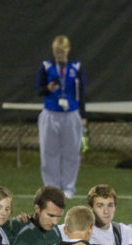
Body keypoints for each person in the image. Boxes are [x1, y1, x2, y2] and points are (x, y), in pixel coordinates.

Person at [37, 35, 86, 198]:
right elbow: (39, 90)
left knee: (71, 153)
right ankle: (51, 188)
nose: (58, 55)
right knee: (48, 153)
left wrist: (83, 115)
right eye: (56, 51)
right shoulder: (46, 66)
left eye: (61, 52)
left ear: (67, 50)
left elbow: (82, 93)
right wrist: (48, 88)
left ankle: (68, 188)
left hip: (71, 114)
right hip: (50, 113)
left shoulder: (76, 67)